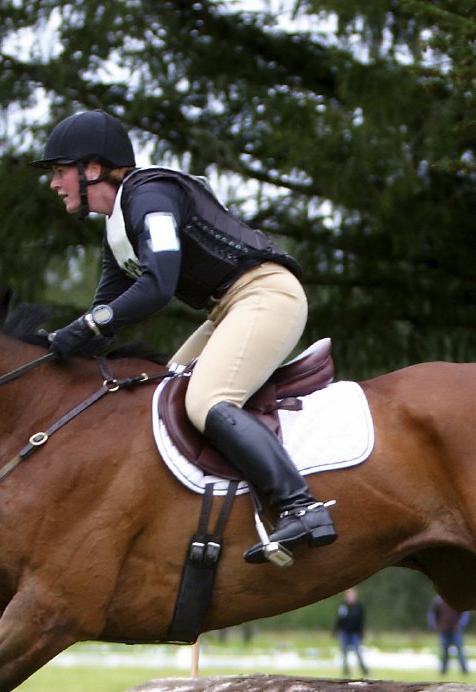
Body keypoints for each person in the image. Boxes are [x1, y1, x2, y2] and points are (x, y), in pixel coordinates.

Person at [34, 110, 336, 565]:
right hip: (227, 308)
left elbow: (157, 286)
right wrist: (50, 350)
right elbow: (107, 317)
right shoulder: (118, 228)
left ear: (91, 169)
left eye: (59, 172)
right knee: (166, 393)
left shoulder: (150, 197)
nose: (55, 184)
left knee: (205, 400)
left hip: (266, 294)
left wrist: (88, 326)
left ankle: (302, 506)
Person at [431, 596, 470, 676]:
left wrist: (461, 624)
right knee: (444, 652)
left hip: (455, 630)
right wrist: (434, 625)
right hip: (444, 630)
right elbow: (433, 614)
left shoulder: (457, 600)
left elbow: (465, 613)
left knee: (460, 651)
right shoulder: (438, 601)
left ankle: (464, 671)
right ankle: (443, 671)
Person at [333, 587, 368, 677]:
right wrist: (335, 630)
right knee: (344, 652)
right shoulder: (343, 606)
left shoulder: (359, 607)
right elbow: (340, 619)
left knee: (358, 651)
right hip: (345, 632)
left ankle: (364, 670)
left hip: (355, 633)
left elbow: (361, 621)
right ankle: (346, 671)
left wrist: (361, 633)